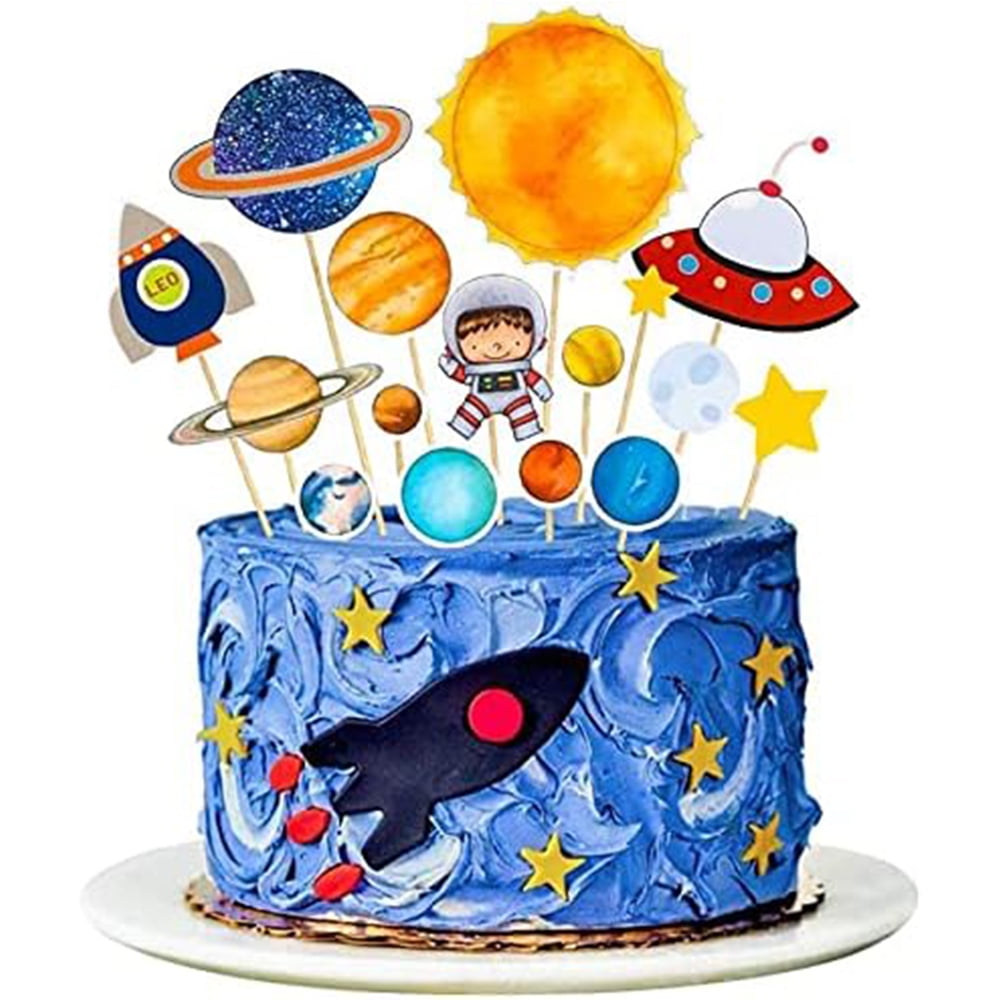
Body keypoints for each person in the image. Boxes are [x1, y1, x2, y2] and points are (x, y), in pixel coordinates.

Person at [439, 275, 552, 441]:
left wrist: (543, 390)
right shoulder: (475, 371)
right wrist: (449, 366)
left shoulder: (521, 370)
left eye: (515, 341)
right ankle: (458, 432)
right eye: (475, 345)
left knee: (525, 420)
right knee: (465, 419)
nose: (496, 348)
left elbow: (532, 378)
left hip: (517, 399)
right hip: (479, 399)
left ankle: (528, 434)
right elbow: (464, 376)